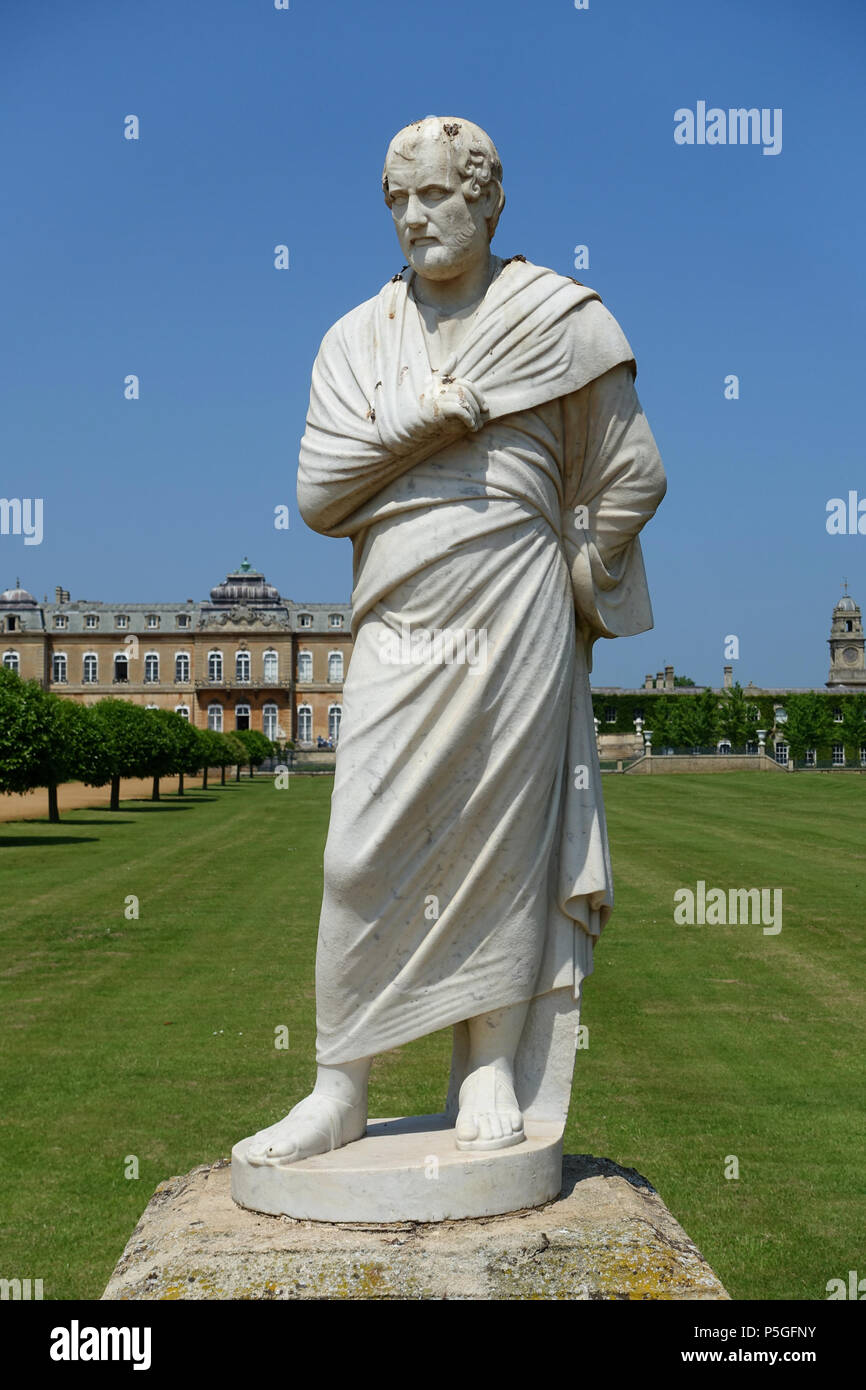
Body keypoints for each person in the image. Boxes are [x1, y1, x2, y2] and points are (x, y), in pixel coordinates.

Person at [247, 117, 666, 1166]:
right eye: (395, 200)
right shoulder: (354, 341)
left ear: (485, 198)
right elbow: (315, 493)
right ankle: (338, 1084)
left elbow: (632, 473)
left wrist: (574, 577)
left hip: (516, 606)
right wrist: (419, 428)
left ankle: (487, 1066)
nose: (411, 216)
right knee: (354, 850)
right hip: (397, 612)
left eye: (431, 195)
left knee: (499, 840)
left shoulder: (557, 320)